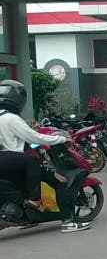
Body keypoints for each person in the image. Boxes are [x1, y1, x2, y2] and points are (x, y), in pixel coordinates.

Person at [0, 80, 90, 232]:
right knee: (60, 181)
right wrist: (62, 139)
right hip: (17, 163)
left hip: (7, 164)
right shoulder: (11, 119)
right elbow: (34, 138)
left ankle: (26, 217)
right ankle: (67, 221)